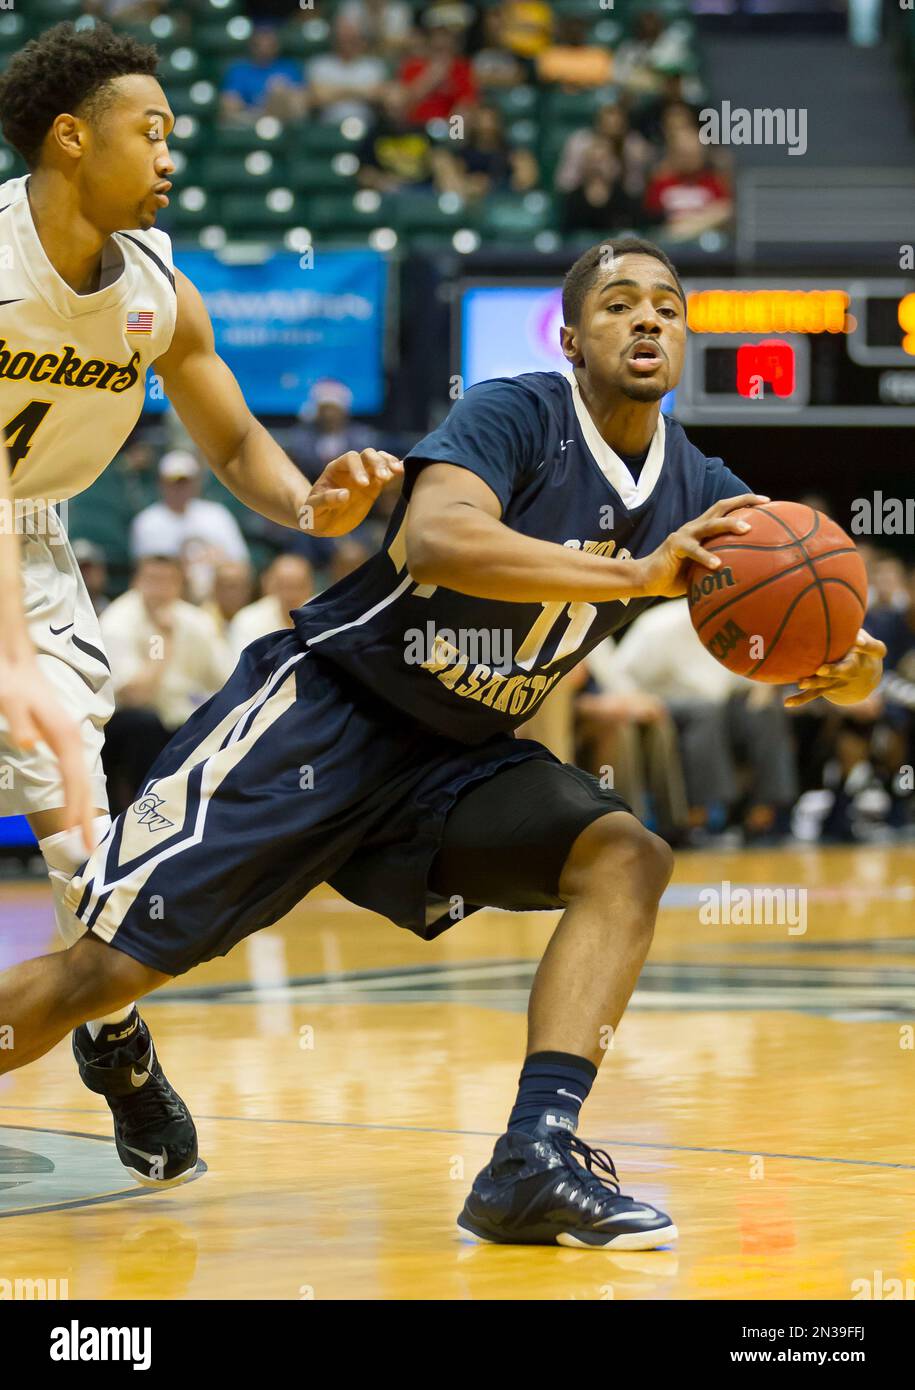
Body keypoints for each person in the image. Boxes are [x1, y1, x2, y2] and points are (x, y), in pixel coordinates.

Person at [0, 238, 885, 1250]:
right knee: (98, 979)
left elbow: (793, 612)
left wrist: (842, 665)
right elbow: (436, 540)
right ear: (573, 337)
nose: (648, 320)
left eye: (668, 308)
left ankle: (531, 1157)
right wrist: (636, 577)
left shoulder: (701, 486)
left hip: (455, 758)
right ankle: (117, 1056)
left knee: (626, 856)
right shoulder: (518, 411)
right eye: (620, 306)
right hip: (323, 717)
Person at [0, 21, 400, 1189]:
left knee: (83, 831)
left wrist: (310, 501)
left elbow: (227, 432)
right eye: (153, 131)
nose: (173, 154)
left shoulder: (157, 288)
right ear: (72, 139)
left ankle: (112, 1038)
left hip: (31, 546)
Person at [129, 449, 250, 602]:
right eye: (173, 482)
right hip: (171, 598)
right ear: (161, 484)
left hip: (217, 599)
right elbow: (144, 573)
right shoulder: (147, 522)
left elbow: (241, 564)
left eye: (184, 482)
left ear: (195, 483)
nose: (179, 488)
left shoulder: (217, 515)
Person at [227, 554, 315, 657]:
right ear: (269, 586)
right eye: (283, 586)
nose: (290, 595)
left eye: (298, 587)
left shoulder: (324, 618)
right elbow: (245, 669)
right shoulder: (247, 620)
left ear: (310, 587)